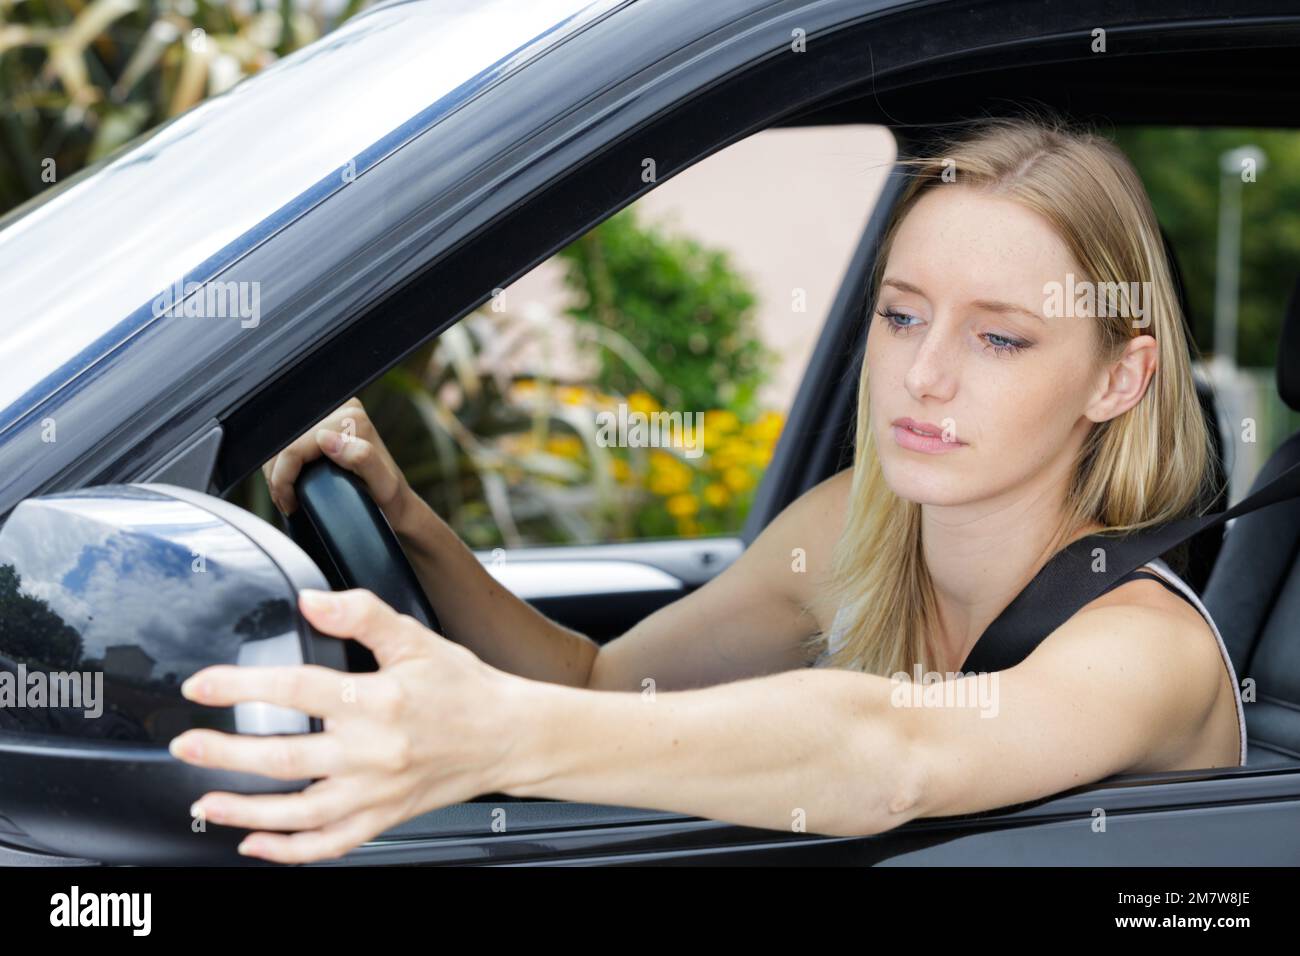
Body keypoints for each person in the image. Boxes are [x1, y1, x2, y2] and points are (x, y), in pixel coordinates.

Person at [170, 114, 1246, 863]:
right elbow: (597, 683)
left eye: (1000, 337)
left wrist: (496, 733)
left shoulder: (1144, 647)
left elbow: (896, 752)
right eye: (902, 314)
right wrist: (406, 516)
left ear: (1119, 378)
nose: (923, 374)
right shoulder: (849, 536)